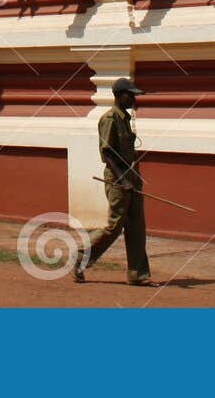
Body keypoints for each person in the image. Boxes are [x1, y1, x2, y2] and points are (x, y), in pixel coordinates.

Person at [74, 76, 151, 285]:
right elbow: (107, 153)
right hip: (119, 179)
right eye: (131, 95)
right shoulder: (110, 119)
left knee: (137, 227)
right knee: (114, 226)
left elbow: (124, 151)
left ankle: (138, 275)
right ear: (118, 95)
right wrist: (123, 180)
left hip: (131, 177)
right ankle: (82, 255)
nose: (135, 99)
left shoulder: (125, 118)